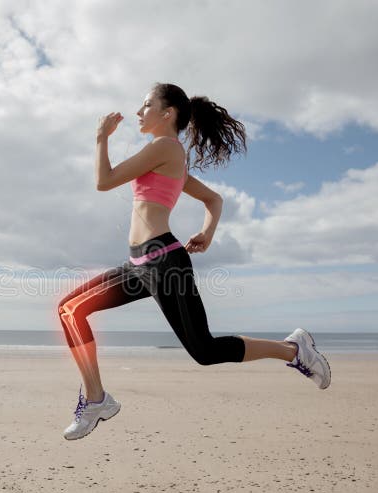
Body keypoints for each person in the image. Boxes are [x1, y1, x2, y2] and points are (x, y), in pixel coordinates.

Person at [58, 83, 331, 440]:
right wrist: (207, 232)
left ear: (167, 114)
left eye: (146, 105)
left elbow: (104, 181)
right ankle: (96, 400)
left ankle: (293, 349)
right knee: (70, 310)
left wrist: (101, 138)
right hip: (139, 265)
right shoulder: (168, 157)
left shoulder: (164, 147)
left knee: (205, 351)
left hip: (163, 263)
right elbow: (214, 200)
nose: (139, 112)